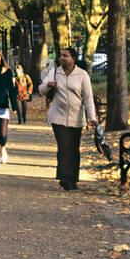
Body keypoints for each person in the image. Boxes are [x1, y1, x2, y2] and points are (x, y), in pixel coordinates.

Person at [38, 46, 98, 190]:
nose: (62, 58)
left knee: (74, 148)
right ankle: (65, 177)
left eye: (65, 56)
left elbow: (88, 98)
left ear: (73, 59)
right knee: (64, 146)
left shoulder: (82, 75)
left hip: (76, 117)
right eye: (61, 56)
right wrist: (48, 85)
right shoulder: (54, 72)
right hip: (57, 116)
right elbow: (40, 90)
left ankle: (73, 179)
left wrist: (92, 117)